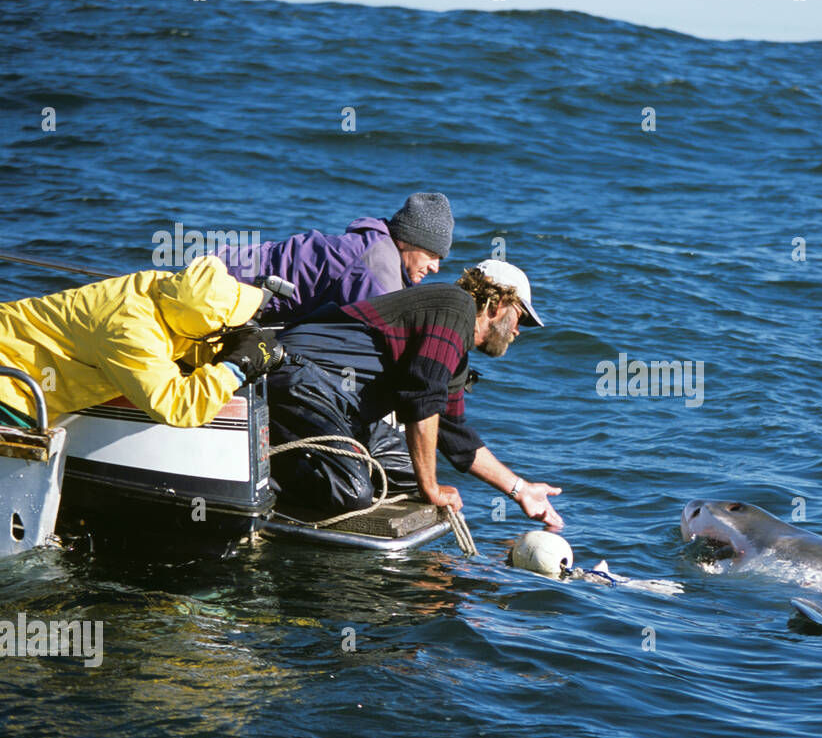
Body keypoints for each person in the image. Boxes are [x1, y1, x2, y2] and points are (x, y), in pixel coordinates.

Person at [266, 259, 563, 528]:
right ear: (497, 304)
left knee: (406, 477)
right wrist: (430, 488)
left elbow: (454, 434)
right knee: (351, 491)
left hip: (343, 407)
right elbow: (423, 395)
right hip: (300, 377)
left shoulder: (455, 353)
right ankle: (266, 480)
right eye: (520, 318)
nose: (518, 331)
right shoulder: (454, 305)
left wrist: (520, 489)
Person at [0, 256, 279, 429]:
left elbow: (180, 334)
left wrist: (223, 347)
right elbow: (178, 408)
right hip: (10, 384)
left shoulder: (163, 288)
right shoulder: (129, 332)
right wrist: (235, 366)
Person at [215, 192, 454, 326]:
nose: (435, 267)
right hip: (223, 286)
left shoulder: (376, 244)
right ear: (405, 241)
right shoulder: (379, 265)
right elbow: (384, 336)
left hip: (225, 266)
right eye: (431, 255)